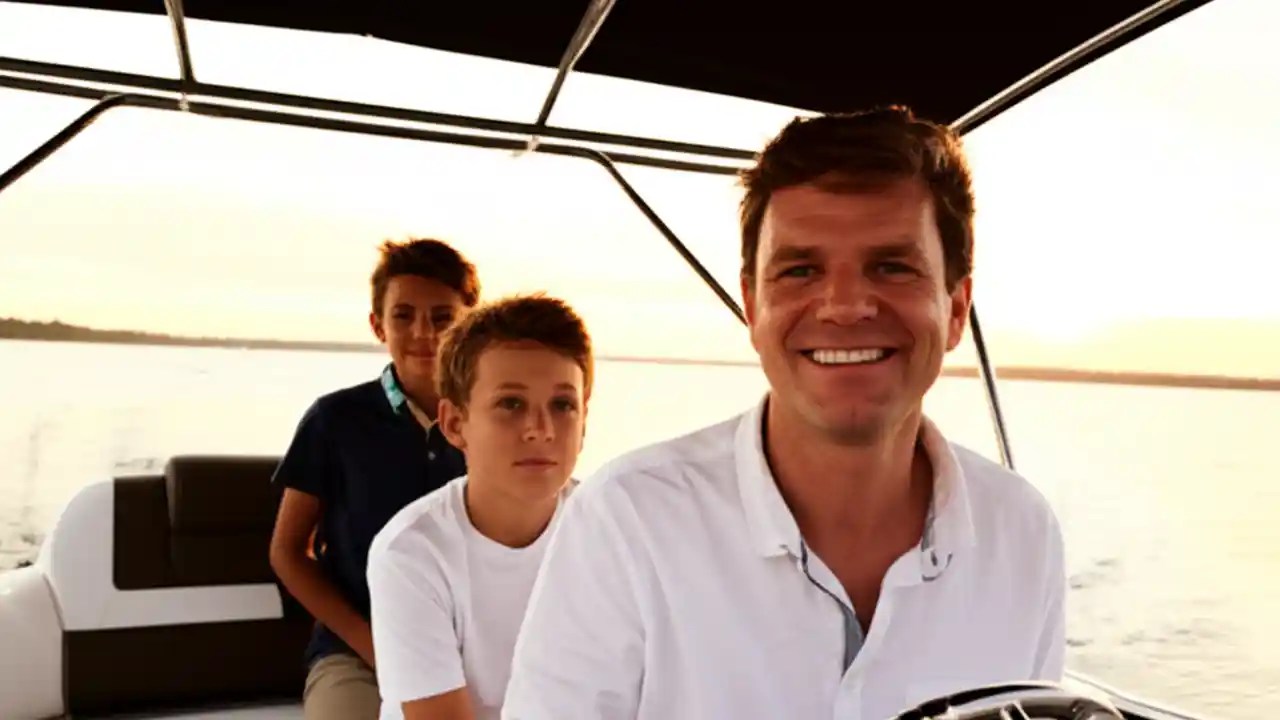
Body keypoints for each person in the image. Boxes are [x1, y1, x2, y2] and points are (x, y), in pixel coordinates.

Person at [501, 107, 1066, 720]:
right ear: (752, 306)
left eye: (892, 266)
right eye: (800, 270)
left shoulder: (1023, 533)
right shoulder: (627, 520)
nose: (845, 306)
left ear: (956, 308)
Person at [269, 238, 481, 720]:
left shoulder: (494, 421)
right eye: (403, 315)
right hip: (357, 655)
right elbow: (287, 552)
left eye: (442, 316)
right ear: (377, 324)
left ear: (471, 323)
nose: (423, 332)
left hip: (474, 650)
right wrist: (372, 645)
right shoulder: (334, 420)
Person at [366, 293, 592, 720]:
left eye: (563, 405)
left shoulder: (612, 530)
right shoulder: (410, 553)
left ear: (584, 425)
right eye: (511, 404)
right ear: (455, 423)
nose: (540, 430)